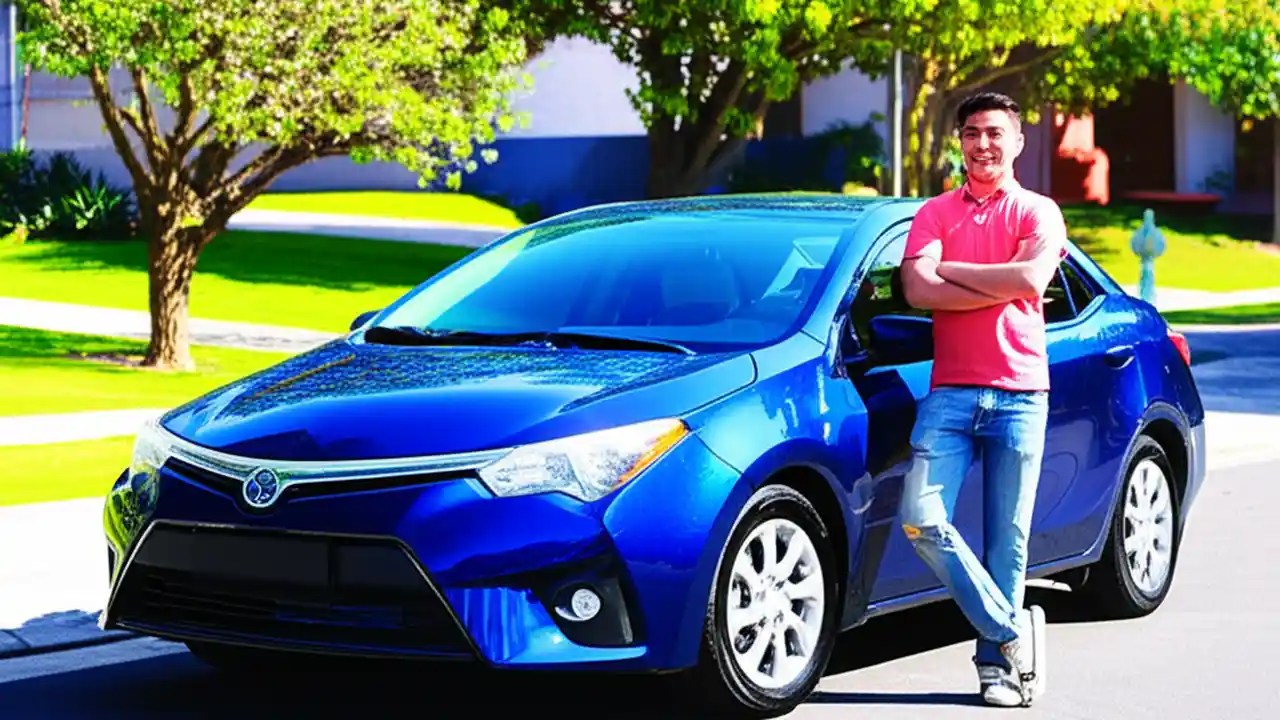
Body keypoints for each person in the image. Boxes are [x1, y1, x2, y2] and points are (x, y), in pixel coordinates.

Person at [898, 91, 1067, 708]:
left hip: (1022, 394)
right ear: (960, 142)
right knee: (922, 516)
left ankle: (996, 669)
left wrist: (957, 273)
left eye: (995, 133)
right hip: (950, 393)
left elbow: (1030, 280)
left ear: (1017, 142)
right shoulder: (934, 212)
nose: (983, 144)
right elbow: (918, 289)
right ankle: (1009, 628)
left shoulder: (1038, 211)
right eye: (972, 133)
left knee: (1008, 540)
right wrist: (997, 282)